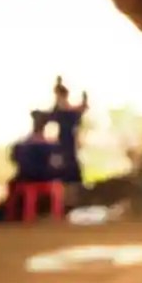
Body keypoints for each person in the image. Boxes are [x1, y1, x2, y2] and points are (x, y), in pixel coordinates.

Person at [48, 78, 88, 208]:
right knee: (65, 174)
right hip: (64, 146)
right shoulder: (64, 111)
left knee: (70, 174)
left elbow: (81, 108)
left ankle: (71, 203)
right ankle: (65, 204)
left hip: (68, 145)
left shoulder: (67, 112)